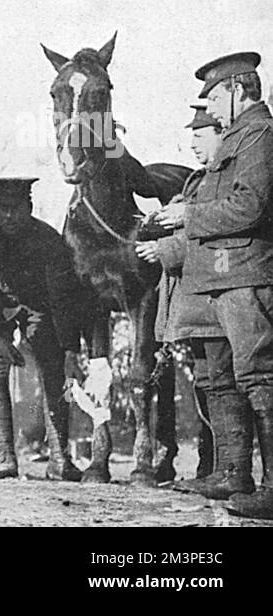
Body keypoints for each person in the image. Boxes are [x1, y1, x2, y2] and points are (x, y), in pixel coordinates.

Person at [153, 53, 273, 517]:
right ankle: (237, 474)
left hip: (245, 272)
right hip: (224, 276)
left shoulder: (259, 137)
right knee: (230, 379)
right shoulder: (241, 139)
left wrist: (189, 215)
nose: (210, 107)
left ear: (239, 89)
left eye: (215, 96)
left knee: (260, 377)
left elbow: (250, 207)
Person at [0, 178, 84, 480]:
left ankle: (59, 456)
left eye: (17, 209)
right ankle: (4, 454)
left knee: (53, 368)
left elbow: (63, 299)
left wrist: (69, 348)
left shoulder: (49, 240)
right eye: (4, 209)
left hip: (37, 308)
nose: (10, 217)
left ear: (30, 207)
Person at [137, 104, 230, 487]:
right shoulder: (199, 181)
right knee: (208, 384)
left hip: (216, 301)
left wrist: (168, 250)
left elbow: (221, 243)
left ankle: (225, 470)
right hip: (195, 304)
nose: (191, 143)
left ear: (222, 134)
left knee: (225, 385)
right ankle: (214, 470)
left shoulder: (223, 182)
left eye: (200, 134)